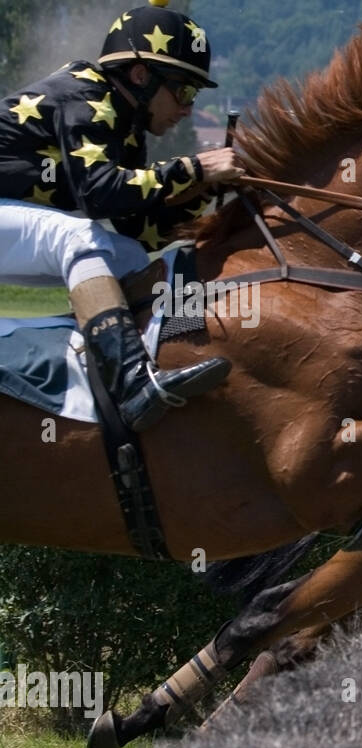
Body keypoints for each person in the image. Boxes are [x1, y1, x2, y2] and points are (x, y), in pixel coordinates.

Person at [0, 0, 246, 431]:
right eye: (184, 91)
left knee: (128, 253)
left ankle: (182, 349)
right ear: (140, 75)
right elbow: (100, 194)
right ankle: (129, 381)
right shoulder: (86, 93)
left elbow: (141, 231)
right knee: (79, 239)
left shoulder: (125, 124)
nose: (188, 108)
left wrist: (200, 193)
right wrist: (195, 168)